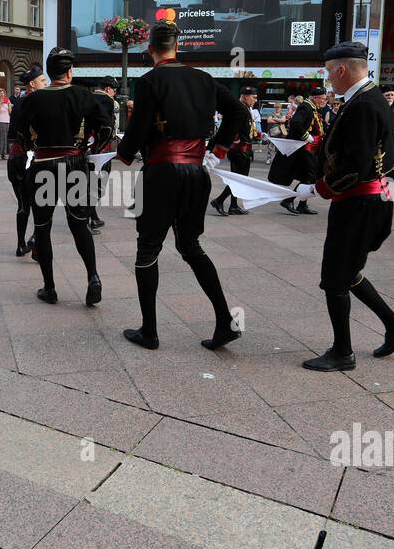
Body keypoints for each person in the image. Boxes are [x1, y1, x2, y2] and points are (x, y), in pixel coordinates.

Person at [115, 21, 246, 351]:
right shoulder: (203, 79)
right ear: (178, 47)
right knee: (190, 246)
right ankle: (224, 320)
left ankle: (149, 331)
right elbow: (239, 112)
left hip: (160, 173)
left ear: (150, 51)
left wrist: (125, 153)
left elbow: (141, 127)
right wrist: (218, 148)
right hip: (196, 172)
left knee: (148, 248)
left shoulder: (149, 81)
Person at [296, 42, 394, 371]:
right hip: (372, 199)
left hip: (359, 202)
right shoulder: (371, 98)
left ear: (342, 69)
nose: (328, 79)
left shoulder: (363, 104)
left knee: (335, 278)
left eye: (329, 72)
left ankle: (343, 352)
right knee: (350, 274)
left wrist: (319, 188)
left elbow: (356, 165)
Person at [9, 48, 101, 305]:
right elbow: (104, 127)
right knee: (79, 223)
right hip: (74, 163)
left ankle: (49, 288)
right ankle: (93, 276)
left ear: (49, 74)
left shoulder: (32, 100)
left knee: (43, 227)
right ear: (70, 72)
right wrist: (89, 148)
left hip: (44, 164)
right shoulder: (82, 95)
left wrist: (33, 146)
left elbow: (21, 134)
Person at [6, 66, 48, 256]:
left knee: (23, 205)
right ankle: (34, 241)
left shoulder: (19, 102)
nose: (46, 84)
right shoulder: (36, 101)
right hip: (29, 158)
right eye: (43, 81)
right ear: (32, 84)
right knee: (42, 204)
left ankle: (21, 244)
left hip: (15, 158)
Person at [269, 82, 325, 215]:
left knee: (308, 177)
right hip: (306, 148)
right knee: (309, 177)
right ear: (316, 98)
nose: (324, 101)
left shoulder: (313, 107)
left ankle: (301, 204)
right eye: (323, 98)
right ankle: (290, 200)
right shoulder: (306, 107)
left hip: (312, 149)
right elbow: (295, 123)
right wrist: (306, 136)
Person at [209, 86, 260, 216]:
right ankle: (219, 201)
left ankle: (233, 205)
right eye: (253, 98)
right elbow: (232, 130)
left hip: (242, 148)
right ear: (245, 96)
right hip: (239, 149)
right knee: (238, 180)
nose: (254, 101)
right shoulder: (239, 109)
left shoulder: (245, 109)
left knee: (238, 178)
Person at [87, 77, 119, 230]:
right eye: (114, 89)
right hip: (101, 151)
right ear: (108, 89)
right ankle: (88, 218)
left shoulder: (87, 97)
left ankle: (92, 216)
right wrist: (101, 147)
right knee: (99, 185)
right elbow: (107, 126)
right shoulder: (107, 100)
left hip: (85, 147)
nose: (115, 93)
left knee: (88, 183)